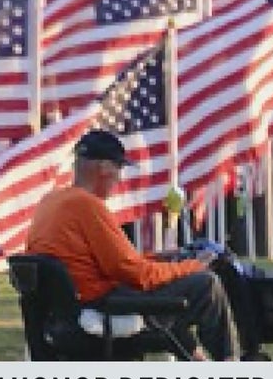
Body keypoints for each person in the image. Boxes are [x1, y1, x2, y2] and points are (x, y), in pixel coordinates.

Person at [24, 129, 240, 361]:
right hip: (102, 307)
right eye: (119, 169)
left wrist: (163, 257)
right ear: (104, 168)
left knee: (169, 299)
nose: (119, 178)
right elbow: (135, 274)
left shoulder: (52, 201)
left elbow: (110, 262)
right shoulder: (88, 206)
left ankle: (199, 360)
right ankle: (230, 366)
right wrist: (193, 266)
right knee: (206, 285)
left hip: (68, 310)